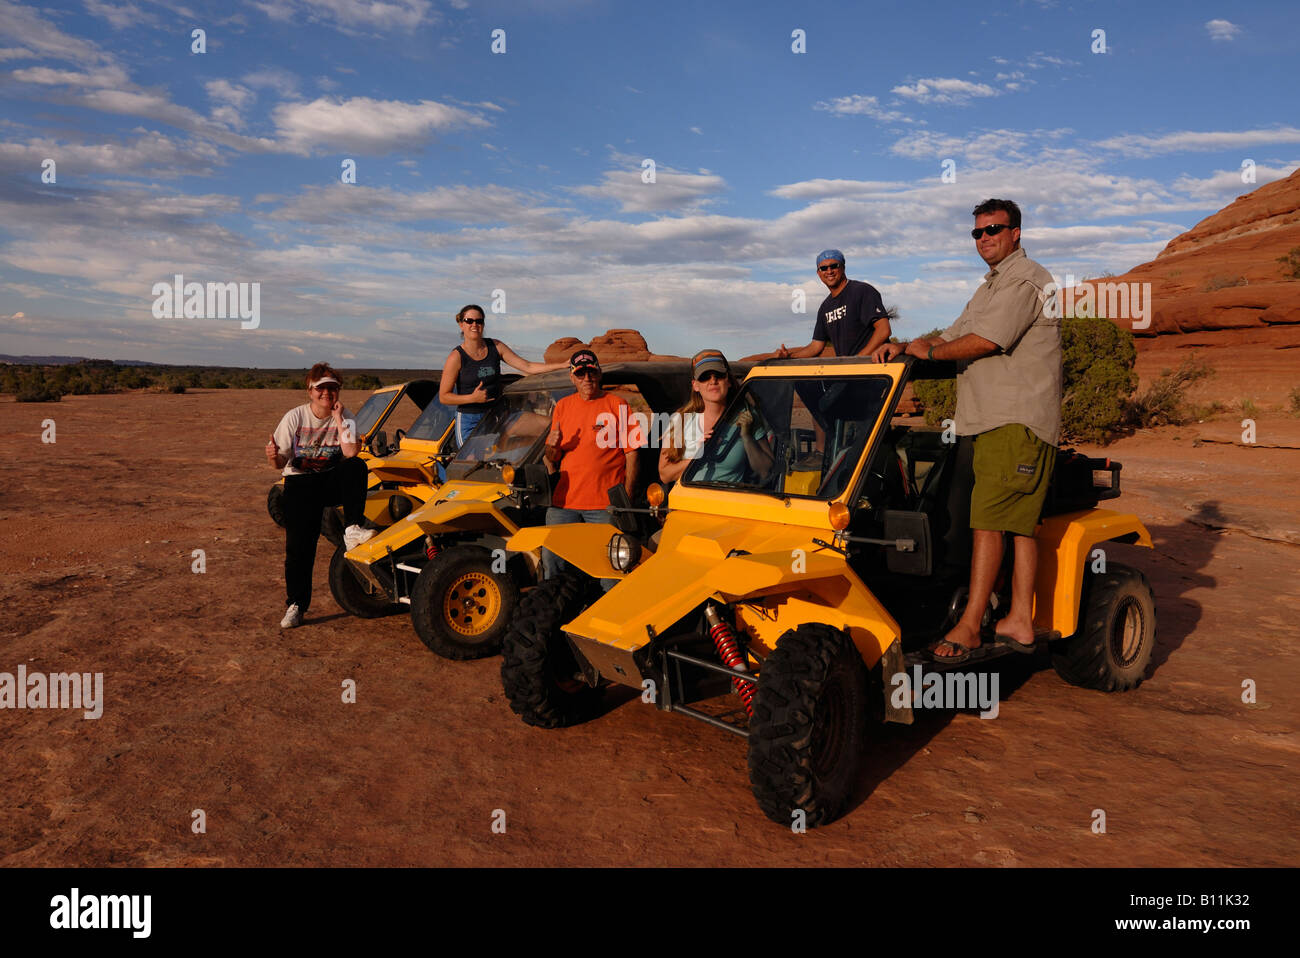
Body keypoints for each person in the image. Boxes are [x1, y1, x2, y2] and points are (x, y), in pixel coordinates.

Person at [872, 198, 1061, 662]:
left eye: (994, 229)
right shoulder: (990, 287)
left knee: (987, 524)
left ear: (1015, 232)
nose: (984, 238)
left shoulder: (1025, 278)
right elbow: (954, 332)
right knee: (1018, 527)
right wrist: (907, 346)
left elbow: (987, 340)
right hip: (993, 421)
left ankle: (971, 624)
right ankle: (1018, 620)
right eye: (977, 232)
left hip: (1013, 420)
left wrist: (931, 356)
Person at [265, 363, 375, 629]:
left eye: (332, 388)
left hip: (329, 481)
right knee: (299, 549)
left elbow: (350, 453)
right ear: (310, 390)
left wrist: (338, 419)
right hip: (300, 484)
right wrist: (273, 457)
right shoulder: (295, 417)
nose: (327, 393)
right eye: (321, 388)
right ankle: (296, 605)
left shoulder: (345, 415)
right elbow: (280, 463)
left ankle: (351, 529)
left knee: (356, 467)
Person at [541, 349, 642, 579]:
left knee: (610, 568)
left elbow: (632, 453)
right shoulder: (563, 407)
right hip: (564, 504)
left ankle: (611, 613)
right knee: (553, 562)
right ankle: (556, 611)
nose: (587, 378)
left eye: (591, 372)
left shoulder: (617, 404)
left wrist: (626, 497)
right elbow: (552, 458)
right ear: (572, 377)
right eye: (580, 374)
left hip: (605, 505)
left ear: (599, 374)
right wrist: (552, 448)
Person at [438, 304, 566, 445]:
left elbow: (527, 366)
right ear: (461, 325)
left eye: (479, 321)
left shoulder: (495, 346)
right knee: (472, 464)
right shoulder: (456, 357)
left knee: (548, 426)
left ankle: (547, 465)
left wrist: (562, 365)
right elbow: (444, 397)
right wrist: (472, 398)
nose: (474, 324)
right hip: (471, 420)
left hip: (499, 415)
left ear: (483, 324)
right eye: (469, 321)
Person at [659, 349, 773, 485]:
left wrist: (747, 438)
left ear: (729, 381)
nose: (713, 381)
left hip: (728, 502)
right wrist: (697, 456)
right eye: (705, 377)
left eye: (718, 375)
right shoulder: (680, 420)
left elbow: (766, 471)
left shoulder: (747, 416)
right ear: (695, 385)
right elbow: (665, 475)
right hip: (688, 502)